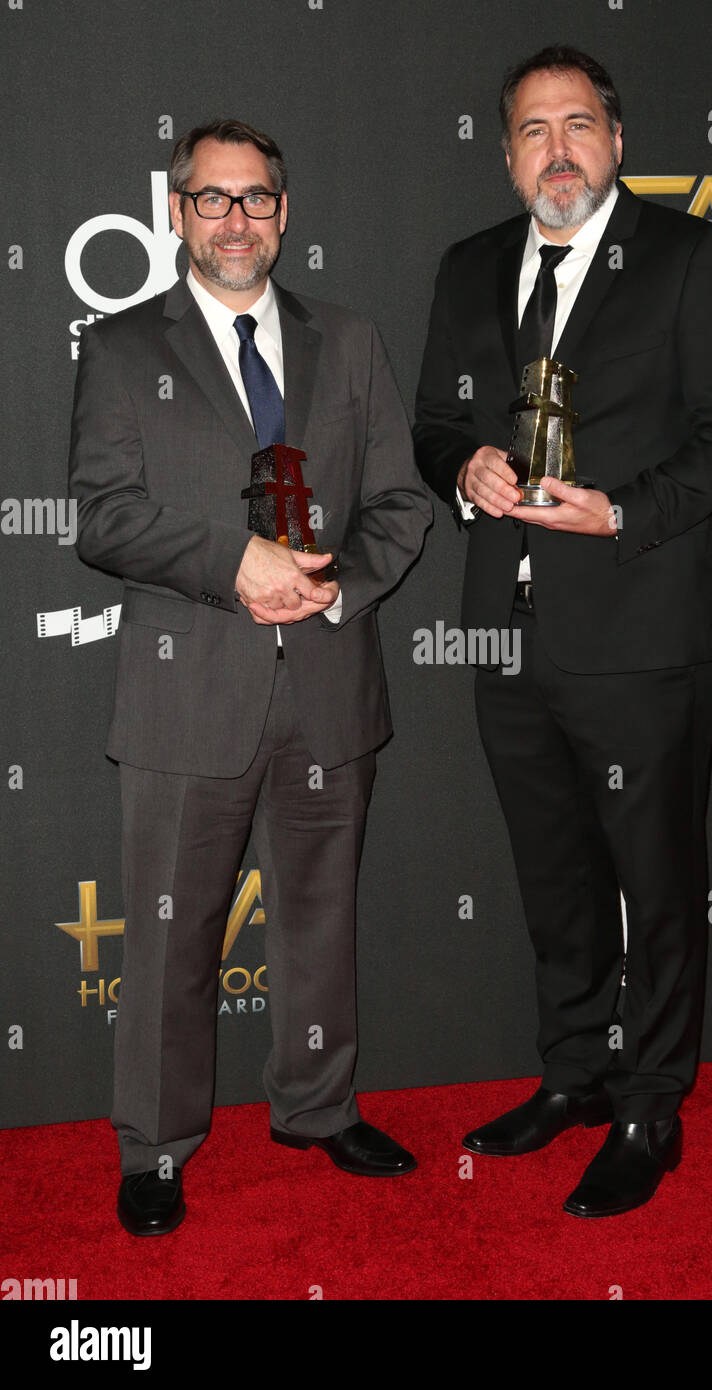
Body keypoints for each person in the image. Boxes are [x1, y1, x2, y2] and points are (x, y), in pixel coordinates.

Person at [413, 47, 712, 1217]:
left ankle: (649, 1107)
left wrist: (623, 511)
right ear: (507, 153)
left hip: (643, 629)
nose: (557, 148)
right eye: (533, 129)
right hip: (505, 635)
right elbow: (432, 421)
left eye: (579, 124)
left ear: (618, 142)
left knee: (658, 880)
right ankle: (573, 1076)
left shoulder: (689, 256)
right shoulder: (469, 269)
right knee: (554, 875)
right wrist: (461, 469)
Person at [69, 118, 432, 1236]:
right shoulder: (125, 346)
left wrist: (336, 587)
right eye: (212, 199)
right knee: (175, 936)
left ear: (286, 213)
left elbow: (402, 504)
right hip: (190, 695)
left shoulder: (352, 339)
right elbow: (107, 517)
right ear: (177, 212)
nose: (236, 220)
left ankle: (318, 1109)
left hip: (328, 678)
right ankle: (156, 1145)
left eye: (257, 199)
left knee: (321, 923)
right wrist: (238, 563)